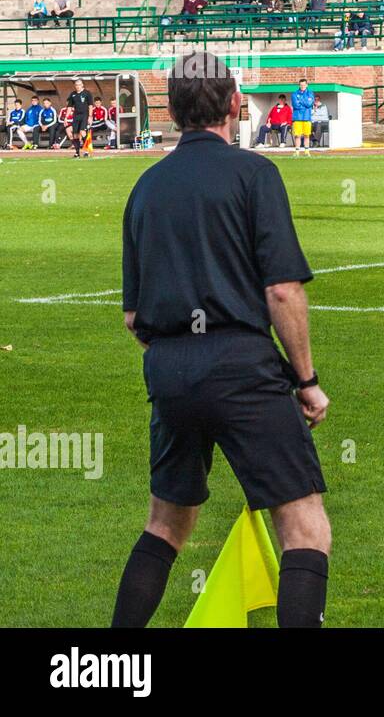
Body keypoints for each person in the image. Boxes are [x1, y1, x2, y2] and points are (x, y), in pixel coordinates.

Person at [112, 51, 331, 629]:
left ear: (174, 109)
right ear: (235, 103)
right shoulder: (255, 173)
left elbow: (133, 317)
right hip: (240, 364)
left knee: (165, 524)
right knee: (305, 526)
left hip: (168, 368)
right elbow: (282, 291)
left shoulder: (146, 187)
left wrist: (178, 361)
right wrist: (305, 380)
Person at [66, 78, 93, 158]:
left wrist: (90, 116)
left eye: (79, 85)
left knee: (83, 132)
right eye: (76, 85)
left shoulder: (87, 93)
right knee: (75, 135)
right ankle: (77, 153)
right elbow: (70, 107)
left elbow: (90, 105)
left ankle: (86, 151)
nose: (77, 86)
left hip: (85, 115)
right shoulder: (73, 94)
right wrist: (66, 117)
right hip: (76, 116)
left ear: (82, 85)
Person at [291, 78, 314, 156]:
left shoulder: (310, 93)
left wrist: (300, 100)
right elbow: (295, 105)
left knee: (307, 135)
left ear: (307, 85)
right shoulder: (294, 94)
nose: (302, 86)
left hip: (307, 117)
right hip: (297, 117)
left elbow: (309, 104)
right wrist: (305, 102)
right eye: (301, 85)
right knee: (297, 135)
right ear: (299, 85)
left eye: (304, 85)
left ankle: (307, 151)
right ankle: (297, 152)